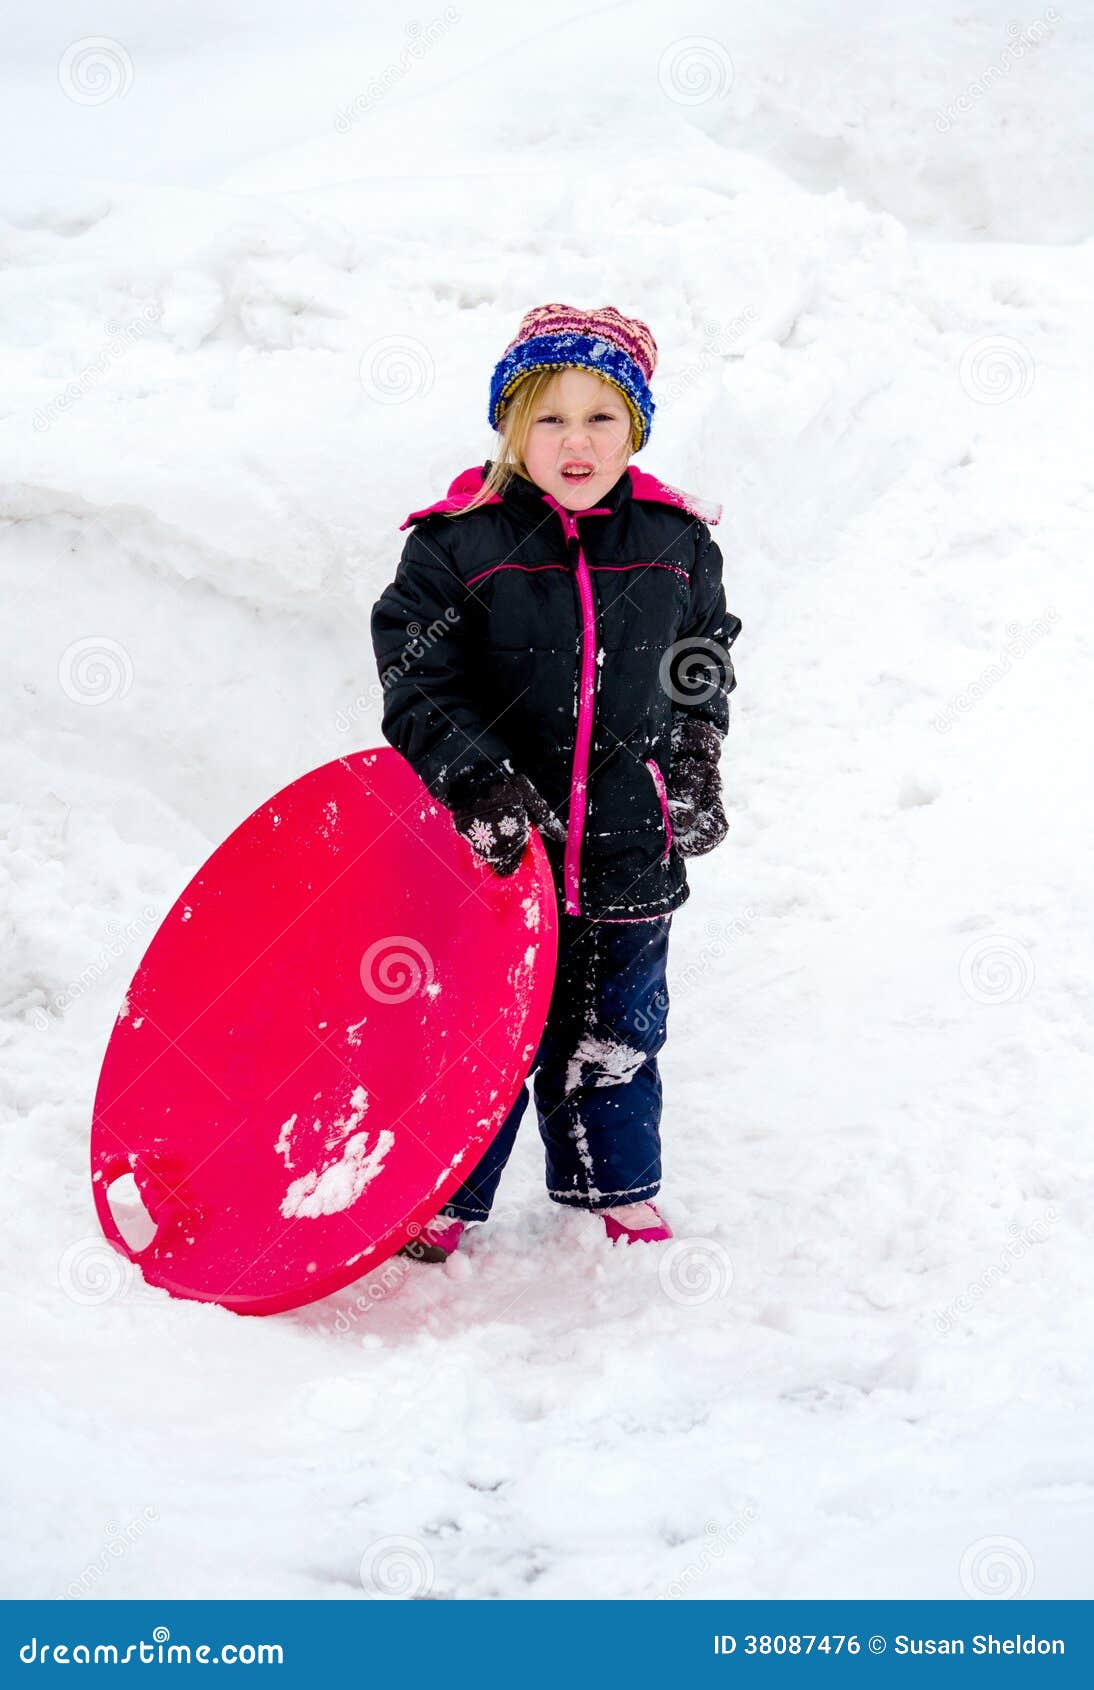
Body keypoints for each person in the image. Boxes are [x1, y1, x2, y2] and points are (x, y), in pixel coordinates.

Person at [369, 303, 742, 1259]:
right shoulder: (458, 544)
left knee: (617, 1028)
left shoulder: (675, 542)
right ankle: (449, 1195)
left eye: (601, 418)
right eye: (549, 418)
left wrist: (695, 757)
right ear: (509, 428)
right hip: (501, 849)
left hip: (628, 845)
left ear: (637, 427)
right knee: (485, 1033)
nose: (575, 442)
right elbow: (417, 679)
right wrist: (478, 786)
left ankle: (614, 1185)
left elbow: (700, 657)